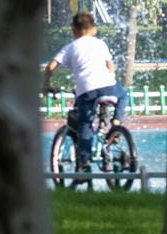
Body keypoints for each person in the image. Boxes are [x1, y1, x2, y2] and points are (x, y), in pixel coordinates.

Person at [44, 11, 130, 172]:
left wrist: (46, 85)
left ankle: (84, 165)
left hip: (86, 89)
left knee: (85, 124)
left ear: (73, 31)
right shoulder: (100, 43)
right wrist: (107, 80)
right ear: (94, 30)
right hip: (108, 85)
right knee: (124, 94)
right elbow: (110, 66)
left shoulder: (69, 47)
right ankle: (116, 125)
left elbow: (50, 67)